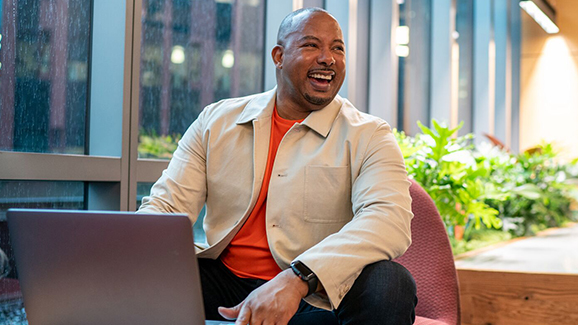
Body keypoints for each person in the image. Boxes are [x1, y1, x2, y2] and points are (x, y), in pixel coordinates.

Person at [139, 7, 417, 325]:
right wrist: (125, 250)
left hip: (315, 296)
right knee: (144, 270)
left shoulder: (370, 134)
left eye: (337, 48)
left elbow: (388, 221)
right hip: (223, 285)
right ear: (279, 56)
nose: (328, 58)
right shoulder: (216, 121)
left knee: (390, 283)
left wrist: (299, 278)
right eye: (312, 45)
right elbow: (166, 206)